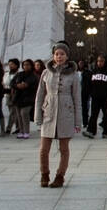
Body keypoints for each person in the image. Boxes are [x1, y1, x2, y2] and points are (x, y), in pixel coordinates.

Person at [34, 42, 81, 187]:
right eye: (56, 54)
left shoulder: (73, 75)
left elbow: (77, 99)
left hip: (66, 113)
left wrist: (78, 122)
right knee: (43, 149)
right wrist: (38, 116)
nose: (59, 57)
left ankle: (60, 176)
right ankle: (44, 174)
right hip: (49, 111)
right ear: (53, 56)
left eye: (62, 54)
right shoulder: (46, 72)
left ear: (67, 56)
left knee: (64, 149)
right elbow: (40, 95)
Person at [85, 55, 107, 137]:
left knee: (106, 114)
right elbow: (89, 84)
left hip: (105, 97)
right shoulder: (93, 72)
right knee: (93, 114)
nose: (99, 63)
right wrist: (90, 93)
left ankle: (106, 132)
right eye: (98, 61)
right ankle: (91, 131)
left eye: (101, 61)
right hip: (95, 97)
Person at [12, 59, 37, 138]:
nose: (26, 66)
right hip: (18, 97)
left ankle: (26, 131)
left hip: (28, 98)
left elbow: (33, 85)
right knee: (19, 115)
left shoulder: (34, 75)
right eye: (24, 65)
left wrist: (26, 85)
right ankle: (21, 130)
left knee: (24, 113)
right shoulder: (19, 74)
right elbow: (12, 83)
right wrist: (17, 86)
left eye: (28, 65)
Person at [3, 58, 21, 134]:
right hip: (7, 94)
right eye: (9, 64)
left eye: (12, 64)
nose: (10, 66)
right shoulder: (6, 74)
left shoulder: (19, 74)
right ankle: (18, 127)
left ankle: (8, 128)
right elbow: (4, 83)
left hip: (15, 94)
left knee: (13, 112)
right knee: (13, 112)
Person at [77, 57, 92, 131]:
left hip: (85, 93)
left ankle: (85, 122)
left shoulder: (87, 72)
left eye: (82, 63)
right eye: (79, 63)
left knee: (84, 108)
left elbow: (89, 83)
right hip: (76, 92)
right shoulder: (75, 72)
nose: (80, 65)